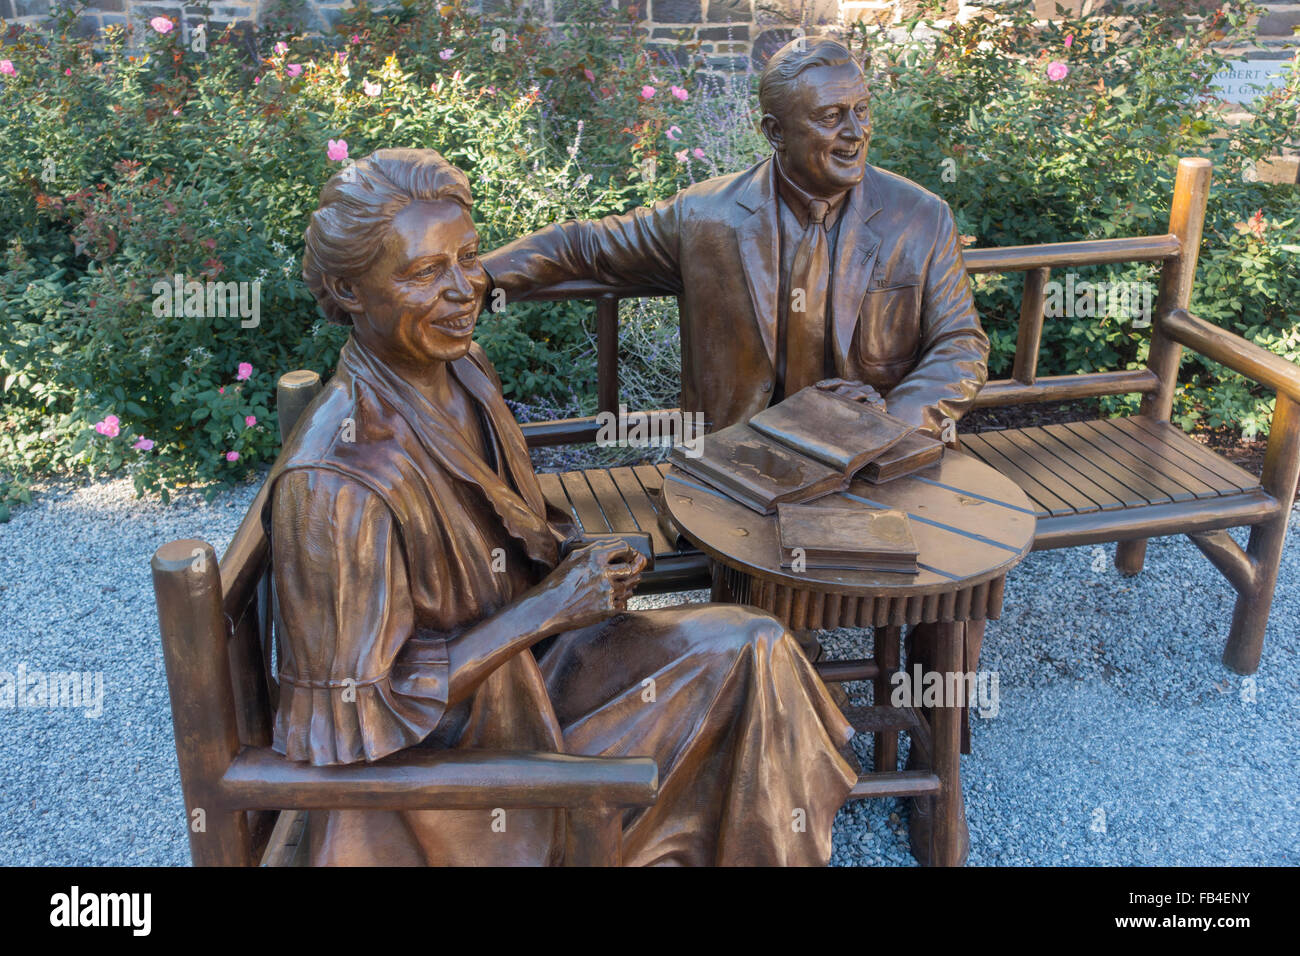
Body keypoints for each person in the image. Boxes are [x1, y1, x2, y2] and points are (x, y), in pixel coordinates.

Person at [267, 147, 857, 866]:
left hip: (529, 674)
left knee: (756, 646)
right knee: (746, 685)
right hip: (461, 761)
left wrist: (576, 569)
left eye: (470, 258)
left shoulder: (461, 370)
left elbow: (515, 533)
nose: (464, 291)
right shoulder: (339, 480)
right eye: (425, 272)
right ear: (349, 291)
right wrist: (549, 609)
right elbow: (362, 711)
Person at [481, 37, 991, 860]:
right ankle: (760, 749)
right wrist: (478, 279)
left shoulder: (918, 215)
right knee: (759, 615)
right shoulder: (709, 217)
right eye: (830, 118)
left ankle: (930, 749)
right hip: (741, 477)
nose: (855, 132)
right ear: (773, 130)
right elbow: (583, 246)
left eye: (862, 111)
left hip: (884, 465)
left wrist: (890, 422)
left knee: (951, 572)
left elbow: (961, 346)